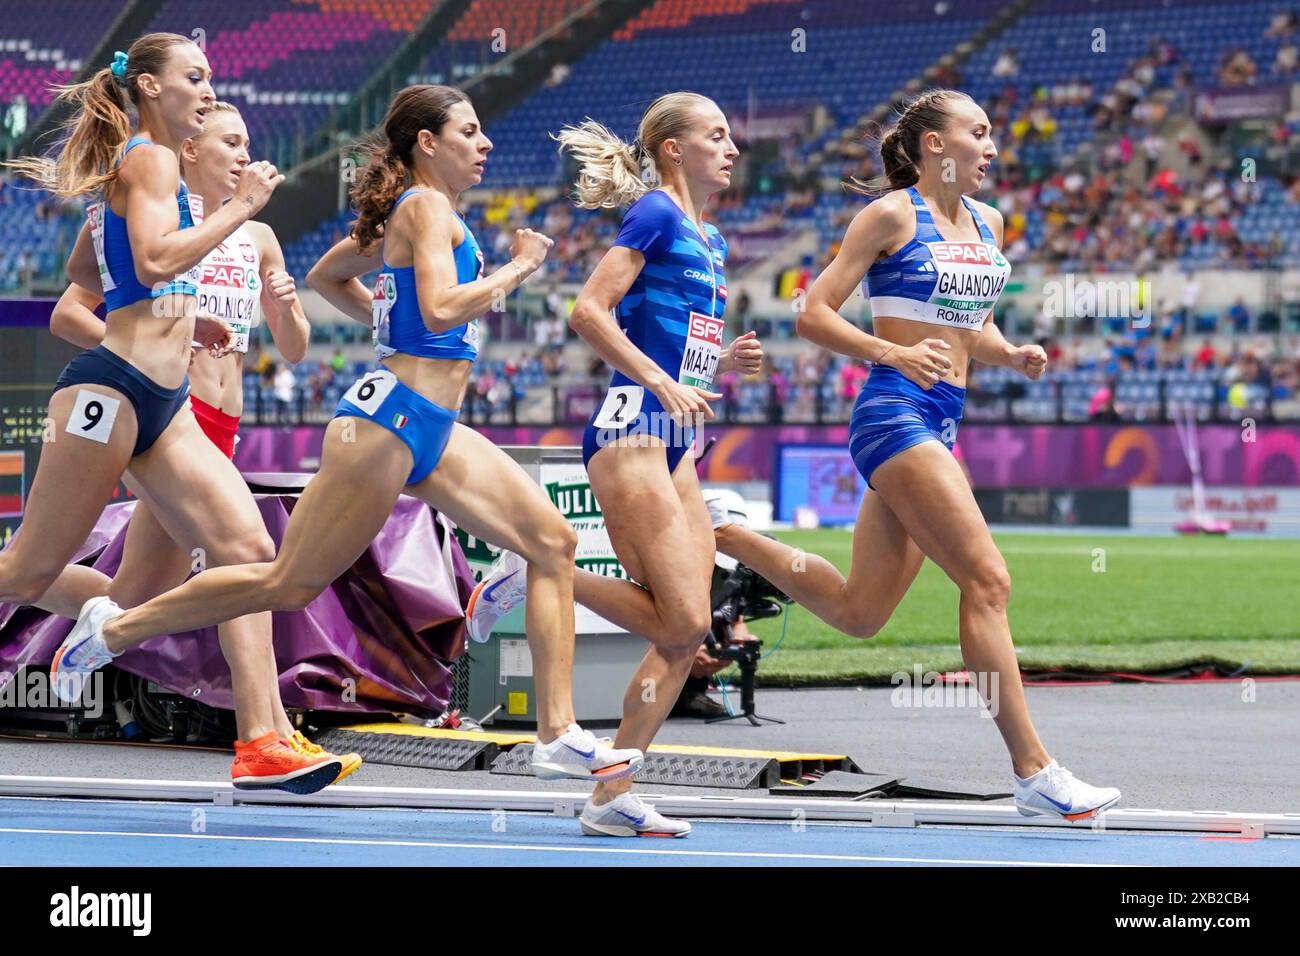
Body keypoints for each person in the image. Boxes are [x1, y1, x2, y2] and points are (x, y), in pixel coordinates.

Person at [51, 84, 644, 785]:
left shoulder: (422, 209)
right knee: (288, 582)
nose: (485, 145)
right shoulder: (424, 207)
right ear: (428, 142)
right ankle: (114, 628)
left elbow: (330, 276)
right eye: (470, 132)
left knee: (552, 541)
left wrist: (388, 324)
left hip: (432, 424)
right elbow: (443, 306)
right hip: (385, 424)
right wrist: (519, 267)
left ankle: (557, 733)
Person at [705, 90, 1120, 820]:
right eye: (979, 133)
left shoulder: (988, 223)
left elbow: (970, 329)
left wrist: (1011, 352)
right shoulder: (894, 214)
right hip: (894, 414)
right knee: (987, 580)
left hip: (943, 417)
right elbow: (811, 313)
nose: (992, 148)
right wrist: (890, 350)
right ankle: (1035, 772)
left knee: (859, 613)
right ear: (934, 144)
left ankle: (723, 536)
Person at [1, 33, 345, 792]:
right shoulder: (151, 158)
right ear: (151, 88)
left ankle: (260, 743)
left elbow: (92, 268)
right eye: (195, 78)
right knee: (26, 572)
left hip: (165, 403)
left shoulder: (148, 171)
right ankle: (127, 644)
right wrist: (246, 208)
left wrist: (191, 321)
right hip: (111, 390)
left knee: (251, 553)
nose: (206, 88)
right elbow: (156, 261)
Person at [468, 92, 763, 837]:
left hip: (676, 439)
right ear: (672, 149)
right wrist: (660, 381)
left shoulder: (713, 240)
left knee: (684, 633)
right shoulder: (658, 215)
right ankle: (536, 571)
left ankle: (611, 794)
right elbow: (589, 312)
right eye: (716, 135)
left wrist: (724, 363)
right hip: (632, 428)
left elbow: (677, 352)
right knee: (687, 616)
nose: (732, 148)